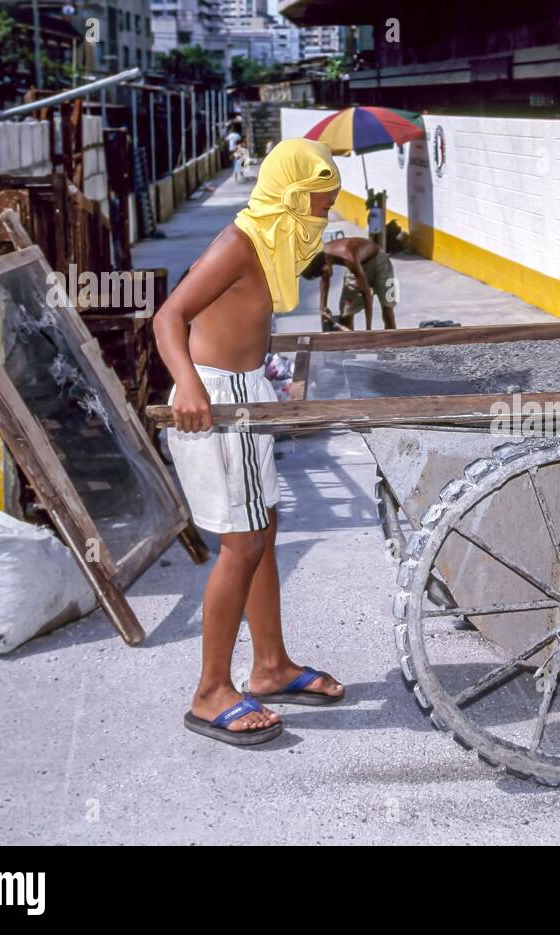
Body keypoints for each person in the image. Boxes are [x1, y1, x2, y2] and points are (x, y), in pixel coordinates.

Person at [153, 138, 347, 746]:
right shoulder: (238, 244)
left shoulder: (273, 242)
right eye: (319, 202)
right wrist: (188, 384)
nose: (324, 213)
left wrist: (268, 373)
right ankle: (211, 691)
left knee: (262, 526)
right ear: (289, 194)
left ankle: (270, 666)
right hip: (212, 402)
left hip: (246, 392)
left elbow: (246, 324)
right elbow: (168, 316)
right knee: (240, 543)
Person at [316, 235, 398, 331]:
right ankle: (350, 338)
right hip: (358, 262)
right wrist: (323, 306)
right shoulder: (320, 256)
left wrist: (368, 330)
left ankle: (392, 337)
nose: (325, 275)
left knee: (388, 310)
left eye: (324, 272)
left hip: (381, 261)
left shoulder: (347, 256)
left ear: (327, 260)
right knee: (346, 312)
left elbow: (366, 294)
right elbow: (325, 277)